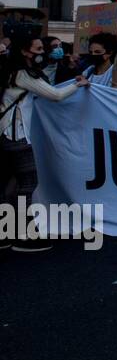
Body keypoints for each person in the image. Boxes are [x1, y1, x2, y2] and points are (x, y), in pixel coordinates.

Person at [1, 35, 88, 250]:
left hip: (7, 134)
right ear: (25, 51)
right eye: (39, 49)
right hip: (17, 136)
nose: (43, 52)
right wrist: (79, 85)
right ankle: (24, 234)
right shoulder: (22, 74)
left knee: (11, 185)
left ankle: (5, 232)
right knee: (27, 183)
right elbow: (55, 95)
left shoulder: (10, 71)